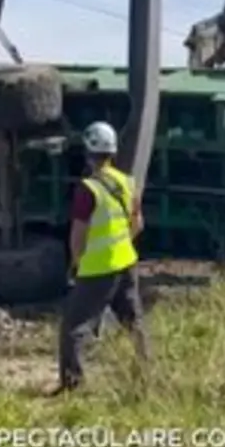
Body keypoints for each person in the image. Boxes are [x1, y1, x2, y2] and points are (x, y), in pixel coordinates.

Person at [51, 121, 151, 396]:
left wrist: (76, 263)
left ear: (87, 154)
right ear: (113, 152)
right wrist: (121, 246)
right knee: (134, 322)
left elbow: (78, 235)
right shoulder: (127, 182)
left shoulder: (88, 190)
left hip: (97, 269)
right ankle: (146, 377)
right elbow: (138, 224)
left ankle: (72, 385)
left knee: (73, 328)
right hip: (126, 263)